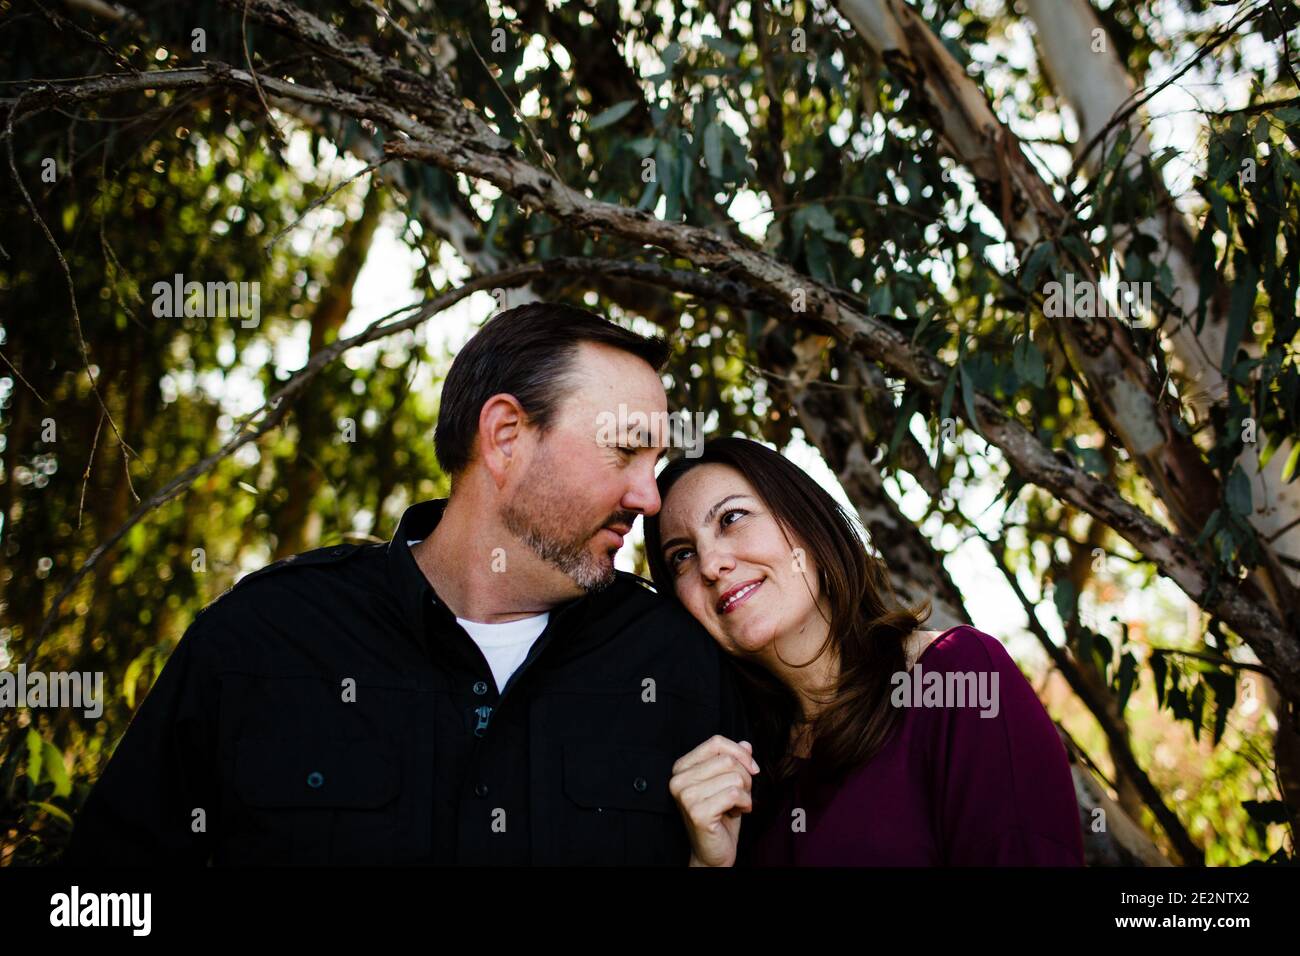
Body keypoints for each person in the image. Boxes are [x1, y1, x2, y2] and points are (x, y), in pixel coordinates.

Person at [64, 302, 750, 865]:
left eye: (654, 461)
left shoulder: (678, 666)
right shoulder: (264, 638)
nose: (649, 498)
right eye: (626, 450)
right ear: (506, 435)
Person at [644, 437, 1084, 866]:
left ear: (807, 524)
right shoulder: (737, 770)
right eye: (681, 555)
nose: (709, 563)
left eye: (732, 518)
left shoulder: (956, 679)